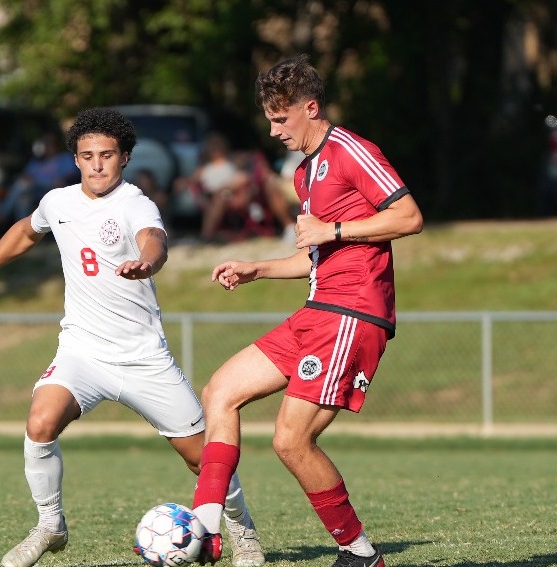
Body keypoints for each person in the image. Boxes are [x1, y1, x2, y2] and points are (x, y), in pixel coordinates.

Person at [0, 107, 265, 567]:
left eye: (107, 155)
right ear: (75, 159)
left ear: (125, 158)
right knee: (40, 424)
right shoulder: (58, 202)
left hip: (142, 357)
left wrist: (147, 262)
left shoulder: (135, 202)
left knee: (205, 459)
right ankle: (50, 526)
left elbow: (155, 240)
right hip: (82, 351)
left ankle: (245, 535)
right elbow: (25, 231)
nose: (97, 165)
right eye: (87, 155)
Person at [189, 54, 423, 567]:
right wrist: (258, 268)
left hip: (353, 313)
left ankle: (360, 553)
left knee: (292, 440)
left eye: (280, 118)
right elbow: (313, 258)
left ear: (310, 107)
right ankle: (204, 527)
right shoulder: (305, 174)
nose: (273, 130)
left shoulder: (350, 151)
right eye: (269, 120)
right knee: (220, 391)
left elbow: (408, 216)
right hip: (318, 308)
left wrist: (332, 231)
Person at [0, 131, 78, 225]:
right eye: (45, 143)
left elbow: (72, 174)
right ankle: (23, 228)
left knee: (22, 185)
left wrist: (62, 180)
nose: (47, 146)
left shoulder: (64, 158)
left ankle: (2, 213)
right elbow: (25, 175)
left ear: (56, 144)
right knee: (23, 198)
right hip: (35, 189)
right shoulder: (36, 161)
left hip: (54, 186)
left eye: (50, 143)